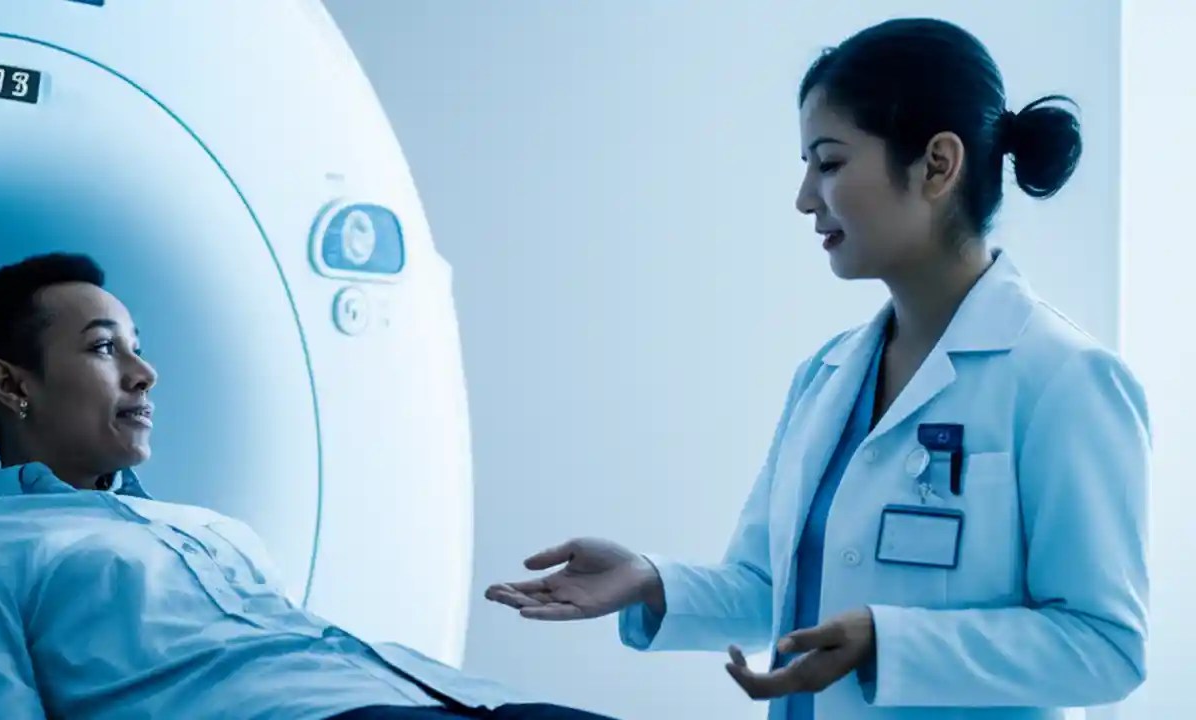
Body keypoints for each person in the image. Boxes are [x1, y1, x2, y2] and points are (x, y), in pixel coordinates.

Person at [486, 17, 1150, 720]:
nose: (805, 197)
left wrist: (890, 644)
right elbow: (771, 589)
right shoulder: (826, 376)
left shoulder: (1064, 380)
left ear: (937, 165)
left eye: (829, 163)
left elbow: (1106, 648)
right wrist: (650, 582)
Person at [0, 252, 617, 720]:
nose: (143, 372)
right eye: (105, 348)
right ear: (12, 385)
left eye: (139, 345)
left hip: (456, 699)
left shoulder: (205, 526)